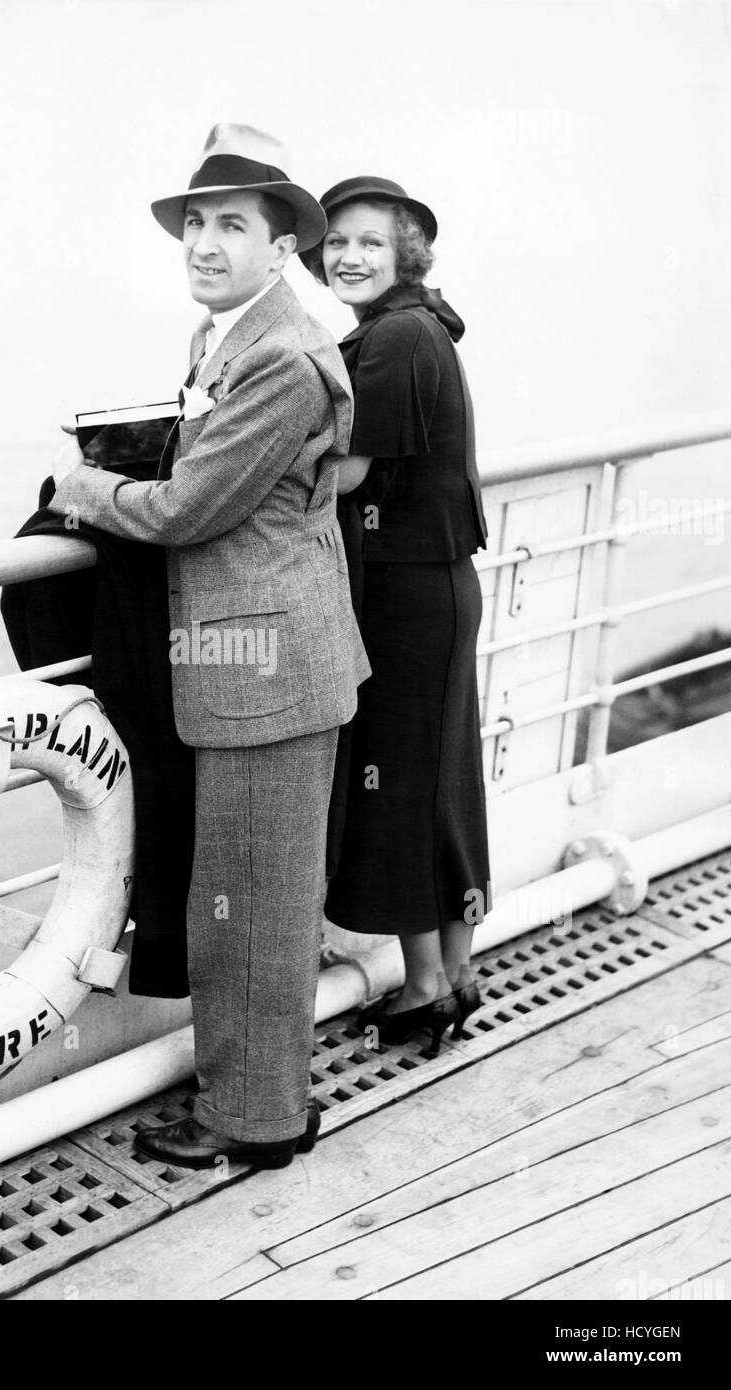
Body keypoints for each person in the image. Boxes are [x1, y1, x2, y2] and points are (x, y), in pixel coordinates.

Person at [46, 124, 370, 1168]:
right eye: (194, 222)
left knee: (256, 914)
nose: (203, 243)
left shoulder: (280, 356)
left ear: (283, 248)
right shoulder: (223, 336)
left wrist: (86, 488)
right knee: (233, 899)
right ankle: (252, 1096)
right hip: (246, 660)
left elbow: (190, 506)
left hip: (267, 669)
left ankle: (258, 1120)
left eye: (233, 225)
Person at [301, 176, 491, 1056]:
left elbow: (342, 476)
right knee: (442, 776)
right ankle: (454, 973)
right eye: (336, 242)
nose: (349, 256)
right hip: (437, 586)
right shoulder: (418, 326)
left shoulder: (394, 338)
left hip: (408, 595)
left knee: (400, 780)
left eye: (369, 242)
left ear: (404, 252)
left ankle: (422, 985)